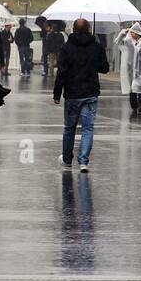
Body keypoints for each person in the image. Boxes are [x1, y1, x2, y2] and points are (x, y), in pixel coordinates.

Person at [53, 17, 110, 171]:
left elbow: (62, 72)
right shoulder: (96, 47)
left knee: (69, 128)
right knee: (88, 128)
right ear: (89, 29)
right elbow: (105, 68)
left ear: (73, 29)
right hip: (90, 93)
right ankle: (83, 161)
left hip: (72, 94)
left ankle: (67, 160)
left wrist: (57, 94)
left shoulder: (66, 48)